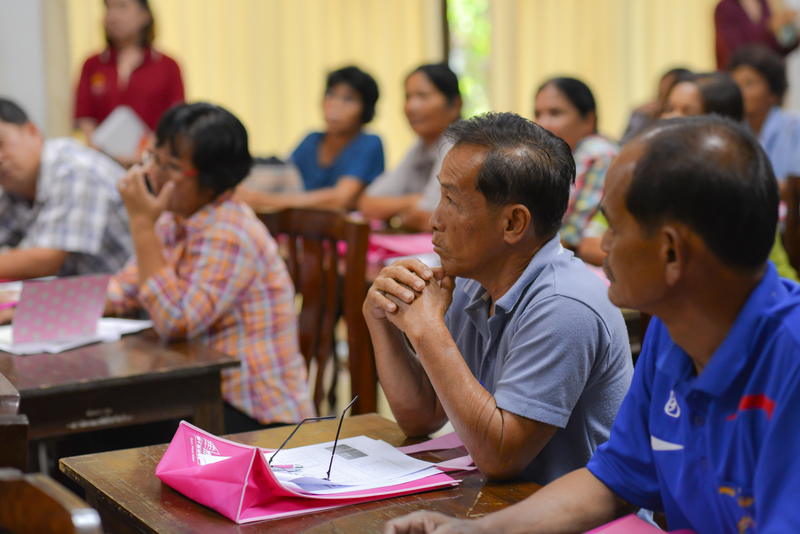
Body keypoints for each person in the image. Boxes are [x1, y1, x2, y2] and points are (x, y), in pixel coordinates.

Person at [384, 115, 800, 534]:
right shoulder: (672, 332)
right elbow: (614, 480)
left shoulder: (790, 360)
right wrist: (477, 531)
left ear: (671, 253)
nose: (602, 245)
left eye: (616, 227)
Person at [364, 112, 632, 484]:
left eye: (452, 201)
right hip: (507, 506)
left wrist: (427, 329)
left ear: (513, 224)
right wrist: (382, 320)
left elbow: (500, 456)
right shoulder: (476, 281)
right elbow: (422, 416)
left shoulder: (565, 304)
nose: (434, 220)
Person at [105, 103, 314, 432]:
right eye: (154, 158)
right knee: (100, 421)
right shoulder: (176, 215)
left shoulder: (229, 232)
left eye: (170, 166)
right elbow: (126, 289)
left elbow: (176, 320)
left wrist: (142, 226)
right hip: (197, 391)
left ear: (212, 180)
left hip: (256, 414)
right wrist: (38, 310)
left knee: (108, 429)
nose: (153, 174)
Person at [0, 98, 133, 279]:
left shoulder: (74, 169)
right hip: (83, 296)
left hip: (130, 299)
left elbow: (47, 260)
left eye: (1, 143)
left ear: (32, 131)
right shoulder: (15, 186)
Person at [237, 66, 383, 211]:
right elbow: (285, 177)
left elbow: (341, 198)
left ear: (366, 108)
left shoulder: (369, 143)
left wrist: (267, 200)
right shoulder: (312, 140)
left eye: (348, 99)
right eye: (330, 94)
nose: (335, 105)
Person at [358, 64, 462, 232]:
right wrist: (413, 202)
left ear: (455, 104)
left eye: (423, 96)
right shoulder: (420, 146)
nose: (411, 107)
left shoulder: (459, 144)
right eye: (408, 97)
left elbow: (433, 218)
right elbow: (367, 203)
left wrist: (398, 215)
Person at [75, 0, 184, 147]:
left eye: (122, 7)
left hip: (153, 160)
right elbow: (85, 118)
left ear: (144, 15)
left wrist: (148, 152)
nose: (112, 16)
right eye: (108, 8)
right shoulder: (93, 64)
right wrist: (100, 151)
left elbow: (175, 119)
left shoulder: (168, 66)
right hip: (102, 160)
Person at [534, 77, 618, 251]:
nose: (543, 123)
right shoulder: (564, 158)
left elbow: (570, 235)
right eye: (538, 114)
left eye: (555, 113)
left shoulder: (597, 154)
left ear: (588, 120)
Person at [729, 44, 800, 188]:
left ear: (773, 92)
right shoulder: (733, 131)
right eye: (735, 85)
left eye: (749, 84)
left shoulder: (794, 127)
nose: (739, 92)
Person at [715, 0, 799, 69]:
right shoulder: (726, 7)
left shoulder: (768, 4)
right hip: (741, 78)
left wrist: (794, 36)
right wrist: (770, 29)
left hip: (769, 76)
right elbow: (736, 53)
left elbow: (777, 51)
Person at [619, 67, 691, 146]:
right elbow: (624, 146)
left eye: (667, 95)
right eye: (660, 95)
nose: (661, 102)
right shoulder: (643, 113)